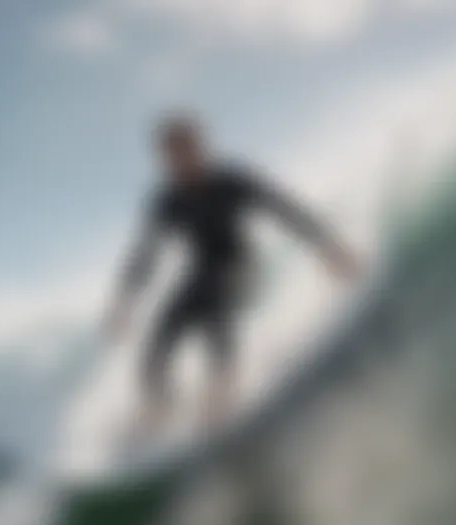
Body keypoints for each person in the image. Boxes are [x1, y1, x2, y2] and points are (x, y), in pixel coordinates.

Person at [105, 114, 362, 440]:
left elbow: (285, 209)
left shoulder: (231, 181)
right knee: (162, 333)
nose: (181, 161)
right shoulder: (167, 201)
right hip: (200, 272)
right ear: (165, 160)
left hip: (242, 265)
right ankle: (159, 408)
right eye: (172, 156)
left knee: (215, 300)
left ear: (201, 147)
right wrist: (125, 298)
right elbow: (145, 253)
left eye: (187, 150)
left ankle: (223, 385)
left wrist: (331, 248)